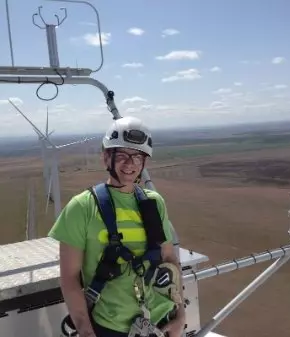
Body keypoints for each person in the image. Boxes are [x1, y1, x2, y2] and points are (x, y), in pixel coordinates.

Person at [48, 116, 186, 337]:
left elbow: (169, 261)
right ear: (106, 158)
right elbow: (69, 279)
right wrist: (85, 331)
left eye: (138, 157)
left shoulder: (153, 203)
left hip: (161, 323)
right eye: (121, 156)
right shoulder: (82, 207)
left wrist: (180, 316)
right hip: (110, 329)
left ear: (144, 163)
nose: (130, 164)